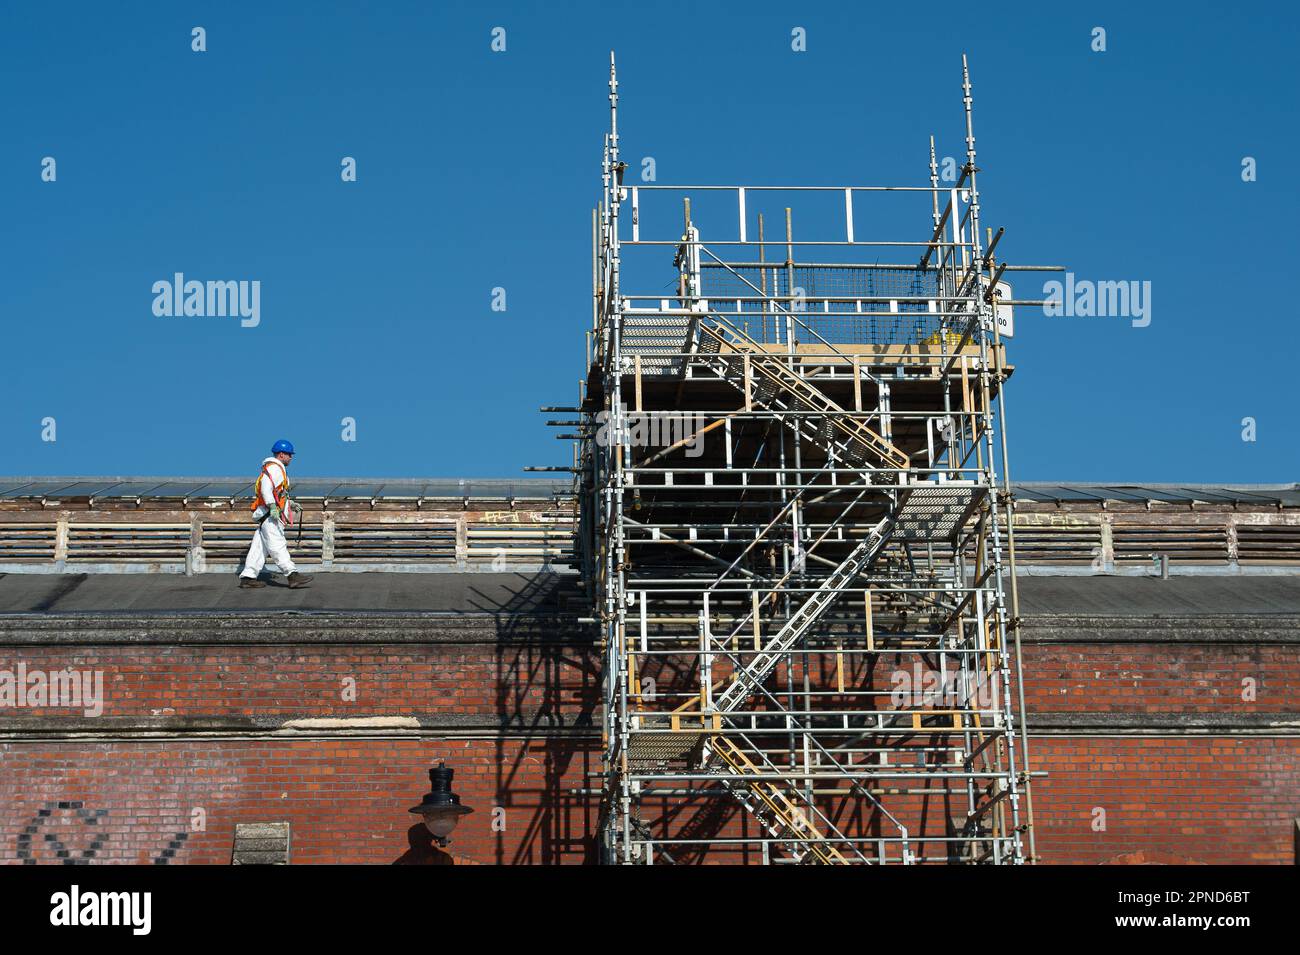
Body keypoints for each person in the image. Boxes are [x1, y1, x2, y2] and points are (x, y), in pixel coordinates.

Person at [238, 439, 313, 589]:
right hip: (270, 516)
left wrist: (289, 504)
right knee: (278, 545)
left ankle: (248, 577)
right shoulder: (275, 468)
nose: (291, 457)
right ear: (281, 454)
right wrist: (272, 506)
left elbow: (278, 493)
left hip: (267, 516)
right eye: (289, 454)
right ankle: (292, 574)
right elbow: (266, 489)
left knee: (259, 548)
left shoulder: (275, 468)